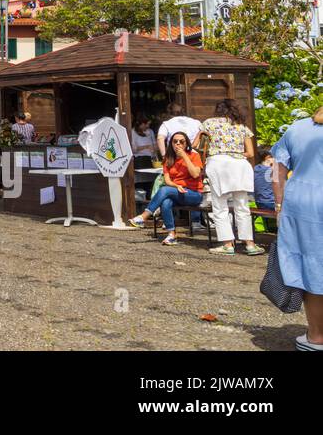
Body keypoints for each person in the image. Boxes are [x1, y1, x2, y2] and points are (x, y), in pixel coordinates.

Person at [271, 103, 323, 350]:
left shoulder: (297, 128)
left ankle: (316, 336)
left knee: (310, 265)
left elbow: (277, 172)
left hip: (301, 204)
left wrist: (279, 206)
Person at [199, 100, 263, 256]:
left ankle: (228, 244)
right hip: (240, 165)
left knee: (220, 206)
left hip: (219, 163)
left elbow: (199, 145)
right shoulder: (241, 126)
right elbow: (251, 153)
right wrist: (235, 152)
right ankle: (250, 244)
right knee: (242, 206)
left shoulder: (208, 123)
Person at [128, 131, 204, 245]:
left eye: (181, 141)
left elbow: (195, 174)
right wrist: (177, 186)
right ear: (171, 143)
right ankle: (171, 234)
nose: (178, 144)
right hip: (177, 192)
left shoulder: (194, 155)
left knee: (164, 190)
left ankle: (144, 217)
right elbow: (168, 181)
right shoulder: (168, 159)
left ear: (186, 143)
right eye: (175, 141)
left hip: (194, 193)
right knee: (166, 202)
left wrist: (184, 156)